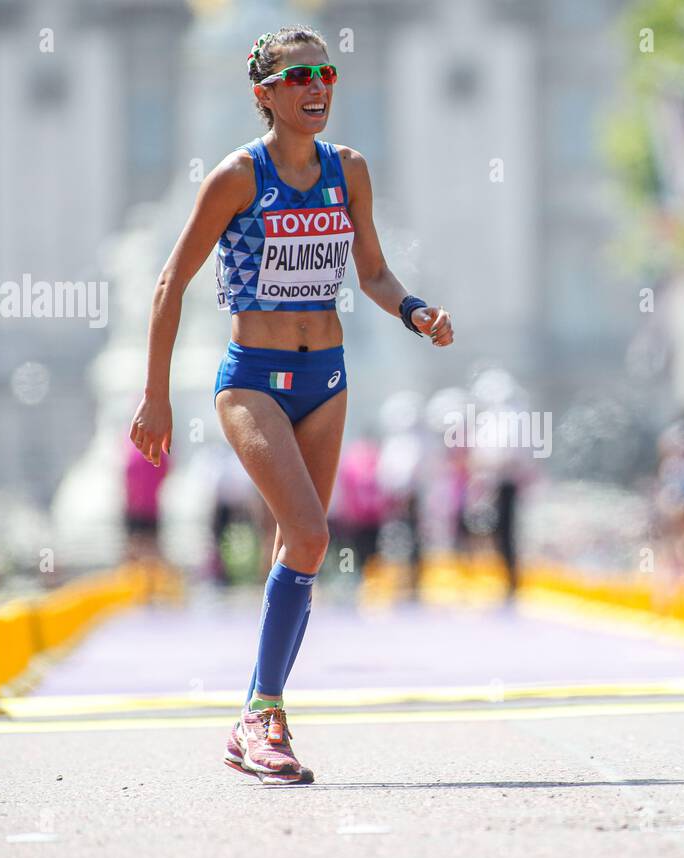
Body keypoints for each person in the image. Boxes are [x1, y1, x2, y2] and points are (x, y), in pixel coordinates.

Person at [128, 26, 453, 783]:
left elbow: (372, 273)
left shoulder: (350, 171)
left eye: (326, 75)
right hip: (254, 379)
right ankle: (262, 712)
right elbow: (171, 282)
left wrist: (415, 311)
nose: (317, 88)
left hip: (327, 379)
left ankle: (257, 716)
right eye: (299, 77)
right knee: (310, 535)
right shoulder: (238, 177)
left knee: (295, 552)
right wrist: (154, 397)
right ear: (263, 94)